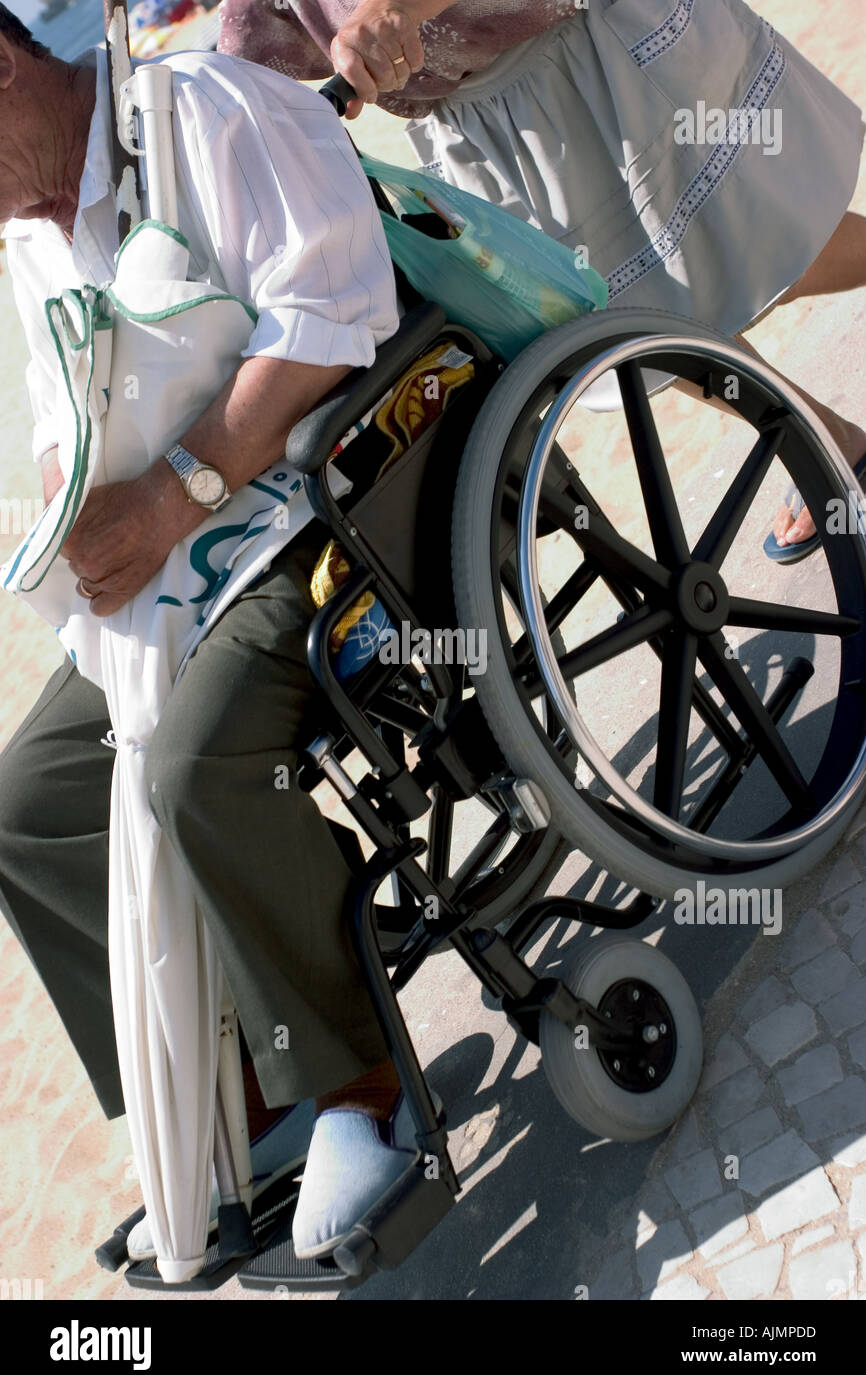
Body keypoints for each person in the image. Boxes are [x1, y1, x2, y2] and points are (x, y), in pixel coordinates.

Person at [0, 4, 426, 1264]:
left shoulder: (200, 109)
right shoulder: (35, 238)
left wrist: (176, 486)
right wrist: (70, 500)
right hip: (178, 561)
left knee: (191, 765)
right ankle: (224, 1100)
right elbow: (56, 417)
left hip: (319, 507)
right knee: (26, 800)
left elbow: (329, 310)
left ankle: (350, 1081)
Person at [218, 0, 866, 562]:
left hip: (591, 47)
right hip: (479, 127)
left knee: (752, 243)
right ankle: (830, 445)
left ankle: (826, 446)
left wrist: (396, 11)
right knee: (628, 321)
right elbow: (237, 71)